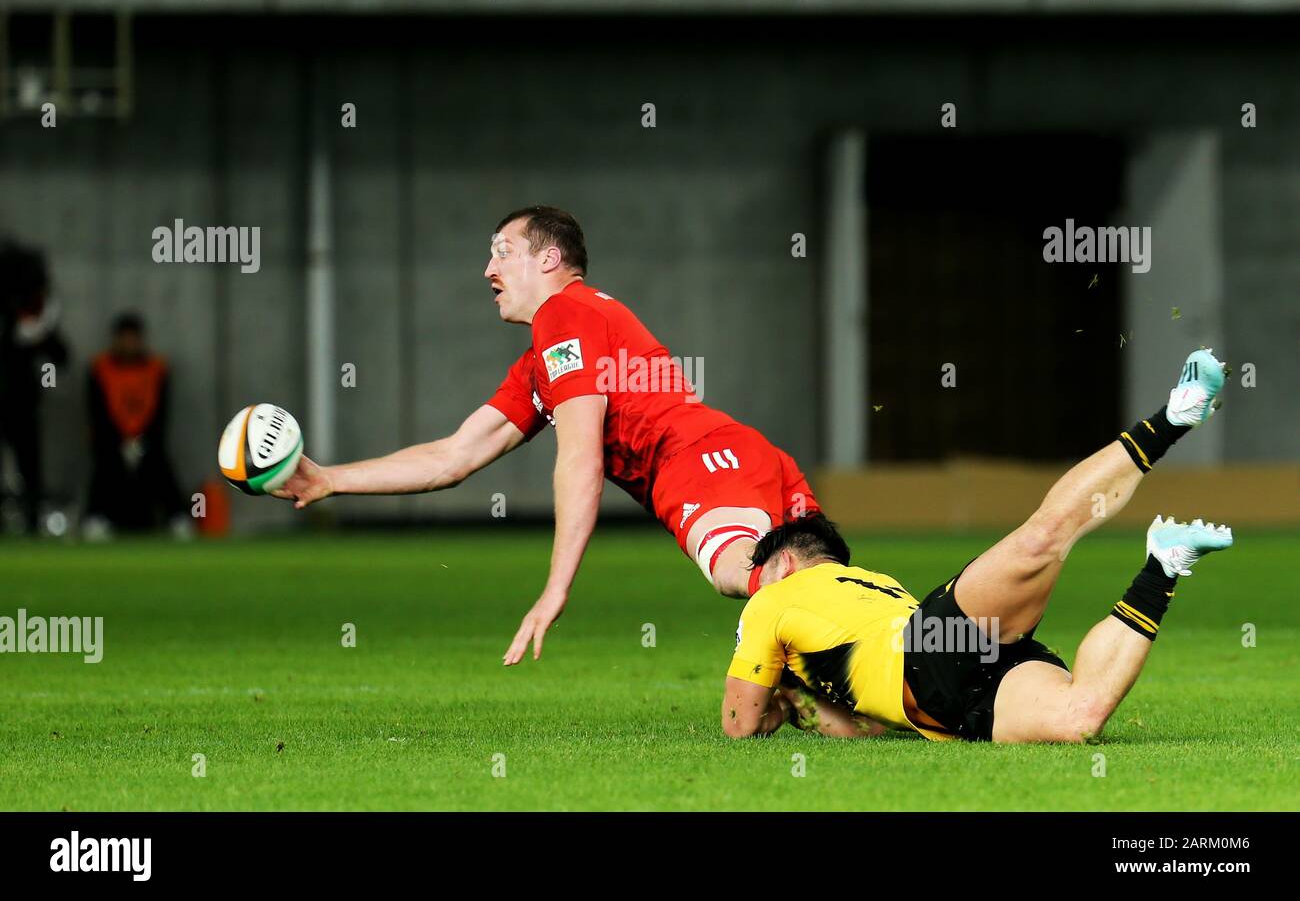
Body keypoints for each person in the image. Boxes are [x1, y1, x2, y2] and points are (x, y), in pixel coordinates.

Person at [274, 206, 820, 663]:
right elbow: (452, 457)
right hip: (748, 455)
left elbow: (582, 459)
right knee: (827, 605)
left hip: (695, 462)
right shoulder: (547, 357)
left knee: (736, 572)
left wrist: (555, 588)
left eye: (503, 251)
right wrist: (327, 479)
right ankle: (895, 648)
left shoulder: (563, 313)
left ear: (550, 259)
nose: (489, 268)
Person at [723, 348, 1233, 743]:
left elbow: (738, 724)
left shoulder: (771, 601)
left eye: (759, 577)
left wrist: (778, 703)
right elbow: (865, 729)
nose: (753, 590)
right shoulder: (867, 589)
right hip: (946, 701)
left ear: (783, 563)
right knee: (1080, 719)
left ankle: (1174, 418)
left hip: (927, 656)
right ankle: (1165, 563)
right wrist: (797, 695)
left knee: (1042, 539)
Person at [84, 313, 189, 537]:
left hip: (147, 439)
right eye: (125, 338)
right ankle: (96, 518)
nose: (129, 344)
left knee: (159, 463)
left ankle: (178, 517)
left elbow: (161, 411)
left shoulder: (156, 368)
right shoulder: (100, 368)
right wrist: (120, 442)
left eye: (134, 338)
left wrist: (141, 441)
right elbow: (97, 412)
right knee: (106, 464)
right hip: (112, 440)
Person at [0, 238, 68, 535]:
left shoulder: (32, 316)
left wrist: (38, 334)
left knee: (30, 468)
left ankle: (32, 522)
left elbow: (60, 356)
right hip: (16, 398)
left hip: (21, 402)